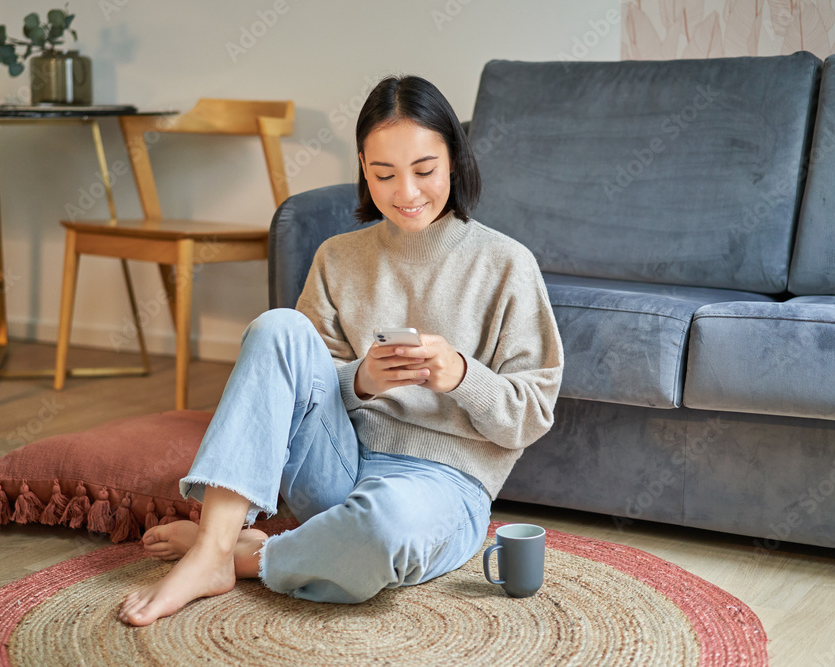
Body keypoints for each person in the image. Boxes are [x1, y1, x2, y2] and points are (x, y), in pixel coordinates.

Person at [119, 74, 563, 626]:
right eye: (383, 174)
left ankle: (252, 554)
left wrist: (459, 374)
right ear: (362, 167)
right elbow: (301, 392)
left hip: (442, 488)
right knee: (278, 327)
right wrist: (359, 381)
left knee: (383, 528)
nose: (406, 193)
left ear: (454, 160)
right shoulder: (337, 257)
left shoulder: (506, 265)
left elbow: (532, 414)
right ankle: (213, 550)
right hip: (337, 464)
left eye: (424, 171)